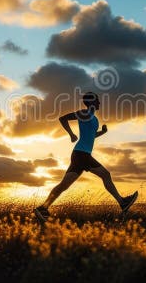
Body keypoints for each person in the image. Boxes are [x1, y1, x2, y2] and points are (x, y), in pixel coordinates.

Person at [34, 91, 138, 222]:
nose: (99, 102)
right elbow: (63, 118)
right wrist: (71, 134)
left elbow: (91, 136)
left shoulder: (94, 119)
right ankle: (122, 202)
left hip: (80, 155)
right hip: (81, 154)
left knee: (63, 185)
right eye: (97, 100)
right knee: (105, 174)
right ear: (91, 102)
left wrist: (103, 132)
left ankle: (43, 208)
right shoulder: (84, 113)